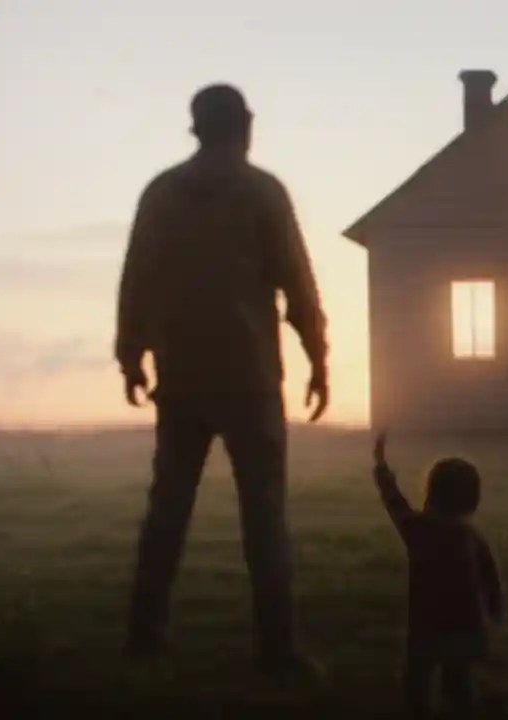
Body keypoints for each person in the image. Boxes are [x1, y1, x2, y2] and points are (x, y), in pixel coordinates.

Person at [116, 84, 329, 679]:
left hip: (181, 373)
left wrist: (131, 356)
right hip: (250, 374)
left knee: (167, 509)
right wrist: (318, 358)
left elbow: (136, 280)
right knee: (264, 514)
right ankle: (277, 649)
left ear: (197, 128)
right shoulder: (263, 192)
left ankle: (143, 633)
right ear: (244, 125)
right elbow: (297, 283)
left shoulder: (161, 193)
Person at [372, 436, 504, 719]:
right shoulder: (472, 538)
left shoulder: (418, 531)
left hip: (426, 626)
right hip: (466, 627)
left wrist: (381, 466)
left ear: (431, 492)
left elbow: (394, 502)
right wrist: (494, 612)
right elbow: (491, 580)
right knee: (459, 684)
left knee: (416, 682)